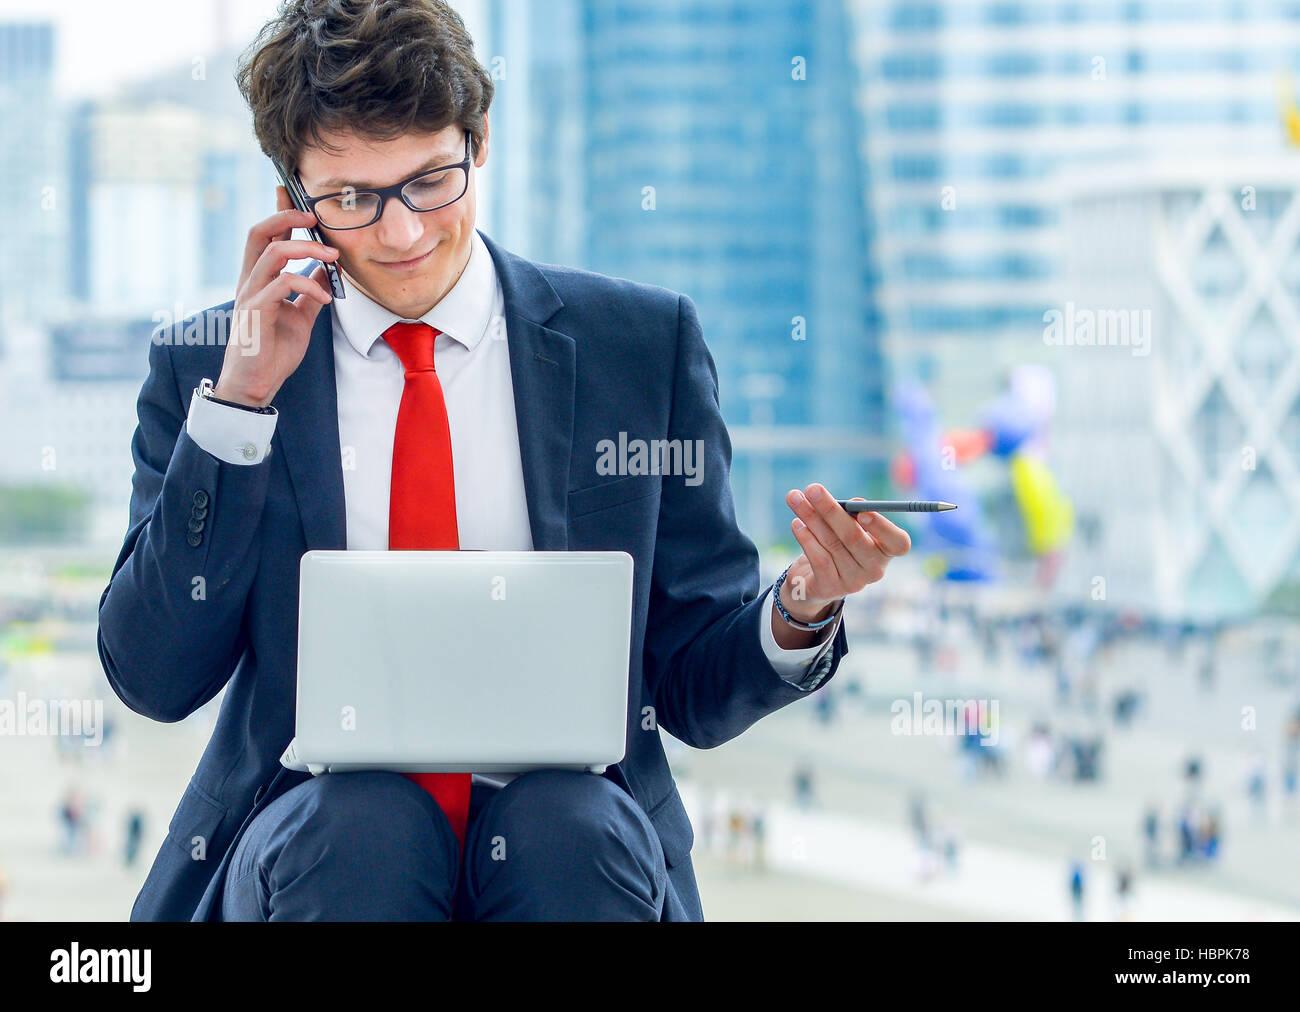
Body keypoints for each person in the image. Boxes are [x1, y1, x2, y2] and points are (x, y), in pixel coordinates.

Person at [96, 0, 911, 923]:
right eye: (351, 198)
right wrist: (239, 410)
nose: (401, 234)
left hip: (572, 848)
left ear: (479, 141)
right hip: (312, 853)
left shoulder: (637, 346)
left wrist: (802, 607)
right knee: (363, 826)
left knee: (567, 822)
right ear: (291, 197)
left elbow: (690, 683)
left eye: (429, 182)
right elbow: (153, 679)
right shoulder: (211, 366)